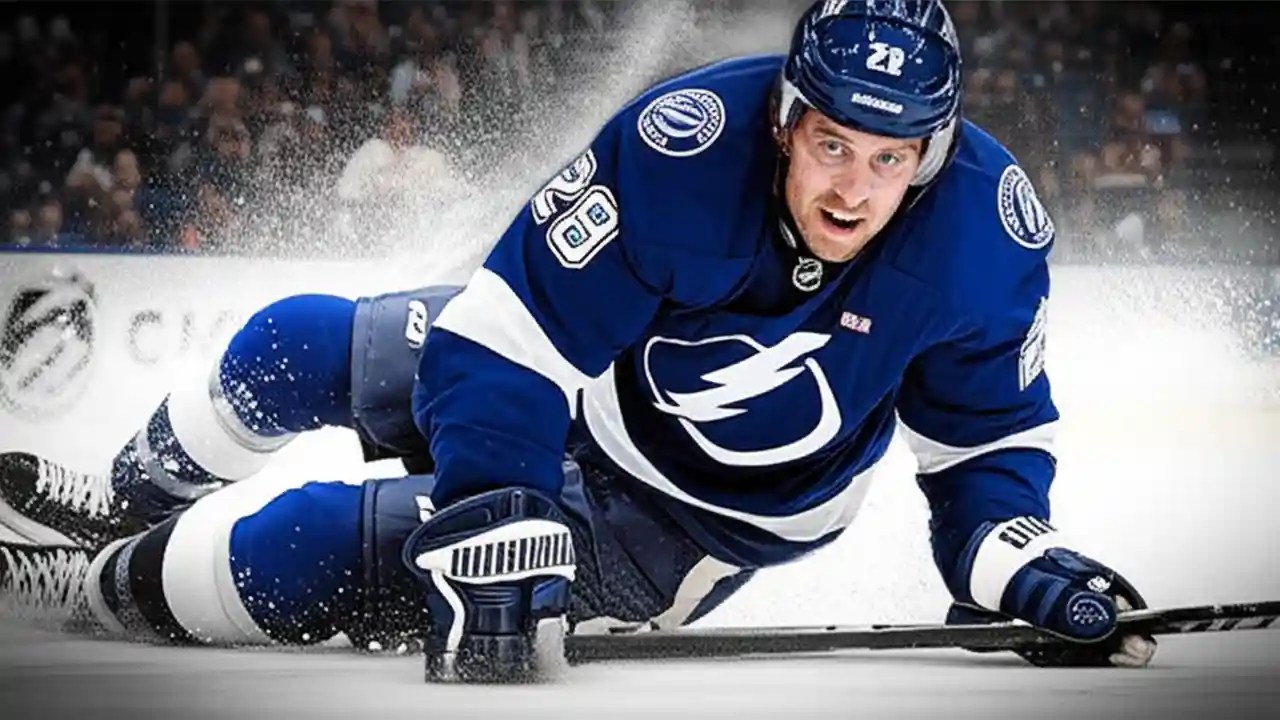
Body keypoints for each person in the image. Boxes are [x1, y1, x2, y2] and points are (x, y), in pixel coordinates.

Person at [0, 0, 1155, 681]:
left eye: (890, 156)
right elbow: (508, 336)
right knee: (290, 345)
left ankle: (91, 588)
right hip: (590, 390)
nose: (854, 189)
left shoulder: (982, 242)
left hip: (683, 526)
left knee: (295, 544)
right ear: (784, 116)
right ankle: (122, 500)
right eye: (832, 144)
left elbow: (978, 451)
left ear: (933, 155)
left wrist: (1018, 565)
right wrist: (498, 503)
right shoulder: (679, 145)